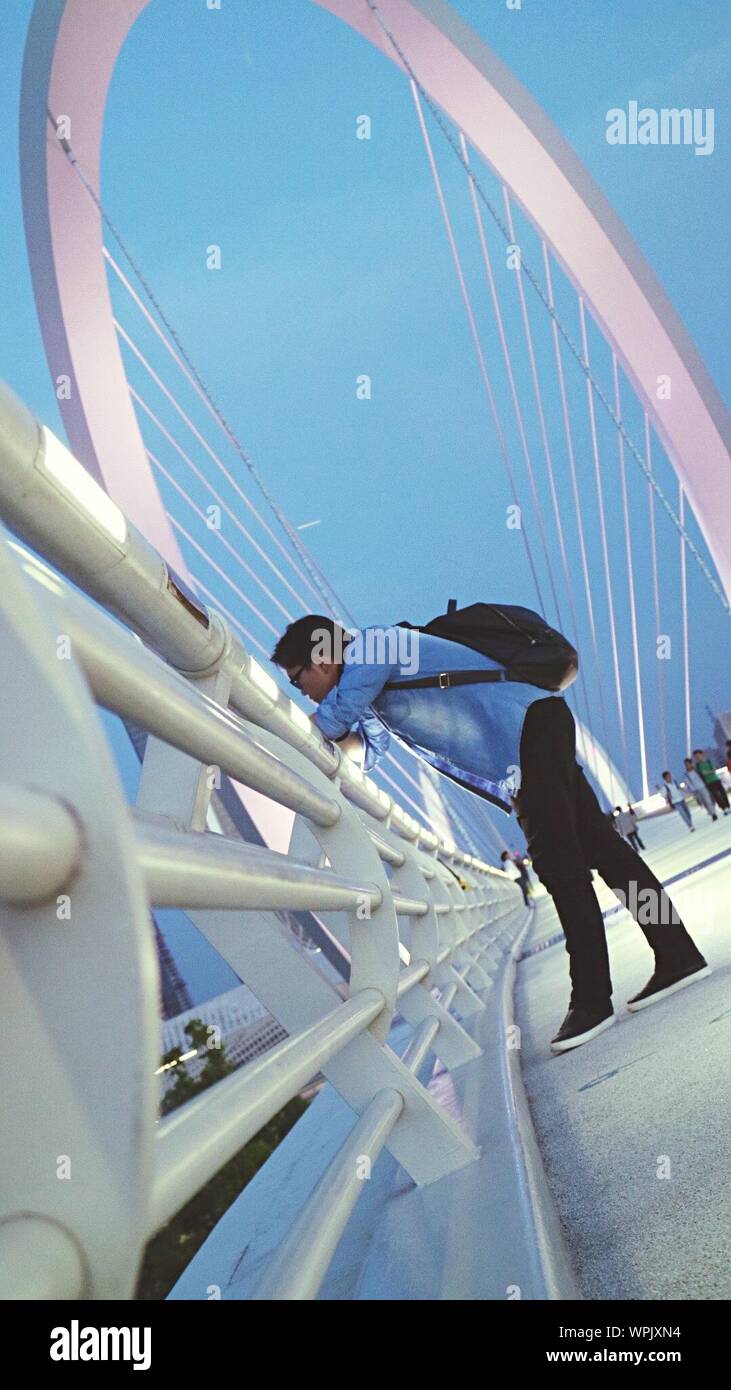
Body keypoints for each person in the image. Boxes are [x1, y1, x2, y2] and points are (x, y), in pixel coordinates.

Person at [271, 615, 709, 1055]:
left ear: (323, 658)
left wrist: (284, 727)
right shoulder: (372, 673)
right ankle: (677, 953)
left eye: (297, 679)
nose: (300, 690)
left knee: (559, 865)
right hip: (531, 729)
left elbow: (333, 719)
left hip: (526, 732)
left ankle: (592, 999)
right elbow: (367, 750)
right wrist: (328, 736)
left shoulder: (375, 647)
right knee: (604, 848)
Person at [693, 748, 731, 815]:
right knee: (716, 796)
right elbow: (703, 773)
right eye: (696, 757)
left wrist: (708, 772)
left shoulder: (708, 761)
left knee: (723, 793)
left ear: (702, 754)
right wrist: (709, 771)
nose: (697, 757)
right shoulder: (698, 766)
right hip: (708, 782)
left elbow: (713, 769)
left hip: (716, 779)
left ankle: (728, 806)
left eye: (698, 755)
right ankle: (724, 808)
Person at [682, 757, 718, 822]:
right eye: (685, 764)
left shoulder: (696, 770)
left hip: (703, 786)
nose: (687, 765)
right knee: (704, 803)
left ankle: (713, 814)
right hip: (696, 790)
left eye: (688, 764)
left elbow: (703, 776)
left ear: (691, 763)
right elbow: (688, 783)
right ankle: (710, 811)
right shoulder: (686, 774)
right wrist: (693, 790)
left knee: (708, 800)